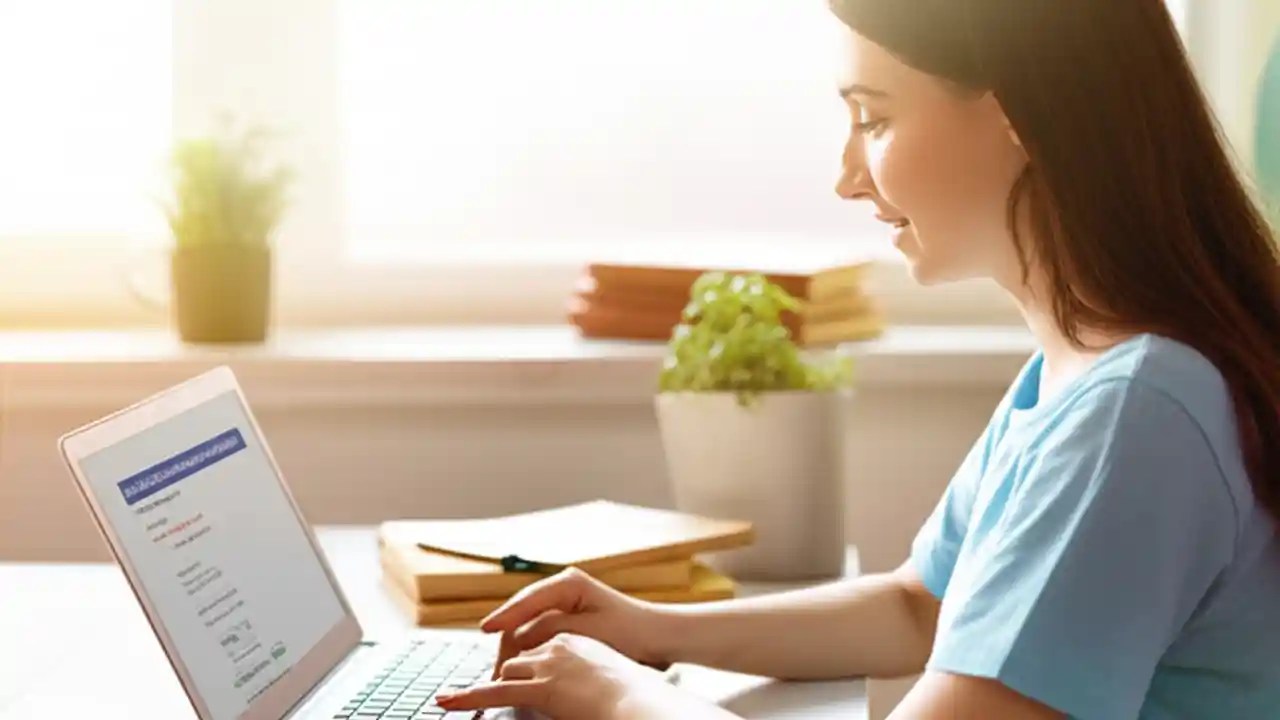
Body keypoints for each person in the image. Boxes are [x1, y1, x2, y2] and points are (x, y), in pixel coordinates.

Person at [436, 0, 1280, 717]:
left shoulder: (1139, 411)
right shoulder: (1084, 371)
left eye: (874, 119)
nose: (847, 176)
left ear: (1017, 113)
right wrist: (651, 628)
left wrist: (625, 698)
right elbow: (920, 607)